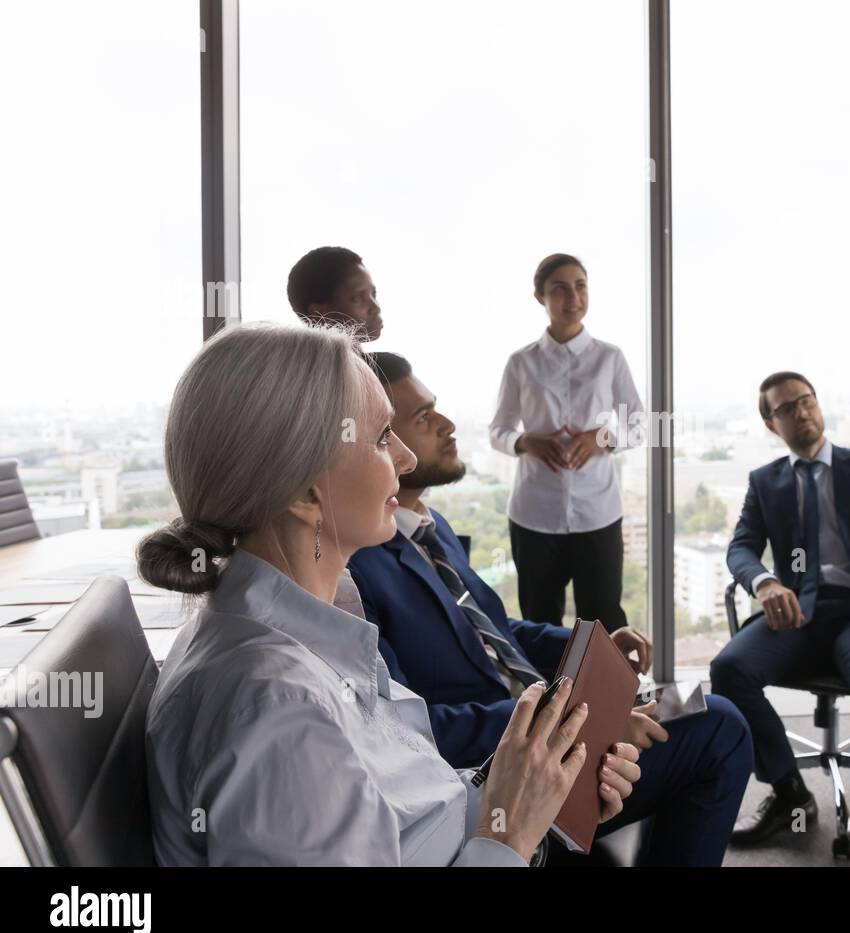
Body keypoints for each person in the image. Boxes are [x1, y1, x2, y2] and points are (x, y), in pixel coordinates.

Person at [138, 322, 638, 865]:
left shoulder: (312, 630)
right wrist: (510, 835)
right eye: (381, 437)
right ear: (305, 490)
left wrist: (524, 791)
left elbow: (412, 818)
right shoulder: (282, 715)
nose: (403, 457)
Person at [349, 351, 753, 866]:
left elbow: (493, 628)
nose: (449, 426)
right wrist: (571, 726)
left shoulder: (431, 527)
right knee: (719, 726)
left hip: (546, 715)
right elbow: (412, 728)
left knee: (690, 699)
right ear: (380, 444)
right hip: (507, 764)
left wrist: (590, 645)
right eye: (423, 419)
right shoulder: (359, 571)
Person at [710, 371, 850, 867]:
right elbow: (742, 547)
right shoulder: (765, 482)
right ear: (770, 422)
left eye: (807, 401)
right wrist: (765, 582)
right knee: (728, 670)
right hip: (798, 613)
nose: (802, 412)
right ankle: (790, 791)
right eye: (787, 408)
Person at [489, 253, 643, 629]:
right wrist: (526, 442)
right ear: (540, 297)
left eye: (580, 286)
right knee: (540, 621)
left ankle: (605, 691)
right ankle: (548, 691)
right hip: (534, 515)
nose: (573, 297)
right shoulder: (521, 362)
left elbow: (642, 425)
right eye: (560, 288)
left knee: (604, 620)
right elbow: (498, 430)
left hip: (598, 513)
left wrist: (602, 437)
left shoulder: (610, 358)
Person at [286, 245, 384, 341]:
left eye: (373, 294)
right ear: (320, 315)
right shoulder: (386, 358)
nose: (376, 308)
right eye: (357, 299)